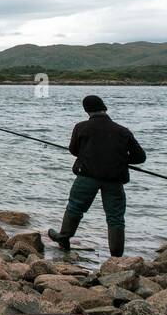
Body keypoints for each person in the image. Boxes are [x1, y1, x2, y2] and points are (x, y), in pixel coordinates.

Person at [48, 95, 146, 257]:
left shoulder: (81, 127)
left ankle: (64, 238)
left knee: (75, 207)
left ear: (86, 110)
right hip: (114, 180)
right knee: (115, 217)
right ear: (104, 108)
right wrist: (119, 159)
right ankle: (116, 255)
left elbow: (73, 150)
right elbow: (140, 157)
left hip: (87, 176)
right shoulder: (122, 131)